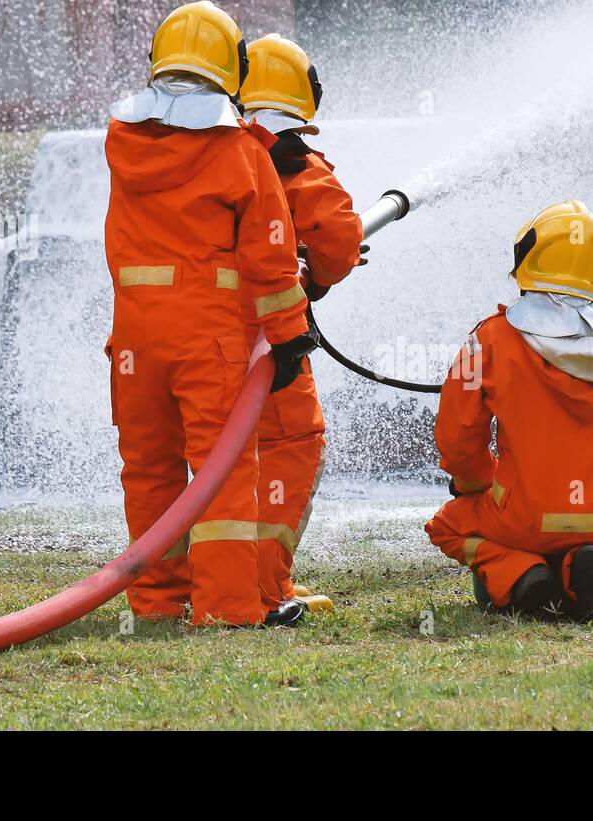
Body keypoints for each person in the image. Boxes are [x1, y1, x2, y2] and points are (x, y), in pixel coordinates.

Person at [104, 2, 316, 628]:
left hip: (134, 338)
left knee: (149, 469)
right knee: (221, 476)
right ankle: (228, 608)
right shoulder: (242, 152)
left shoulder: (122, 142)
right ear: (232, 71)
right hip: (210, 339)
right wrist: (289, 338)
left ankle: (159, 600)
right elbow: (271, 258)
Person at [424, 201, 593, 623]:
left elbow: (458, 434)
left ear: (528, 260)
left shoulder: (490, 338)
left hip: (519, 516)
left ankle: (521, 573)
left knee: (448, 526)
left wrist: (474, 483)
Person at [238, 33, 364, 611]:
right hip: (271, 339)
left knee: (223, 456)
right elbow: (338, 241)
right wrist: (313, 278)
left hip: (202, 339)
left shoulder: (214, 150)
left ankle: (202, 580)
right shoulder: (293, 161)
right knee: (292, 445)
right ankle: (264, 585)